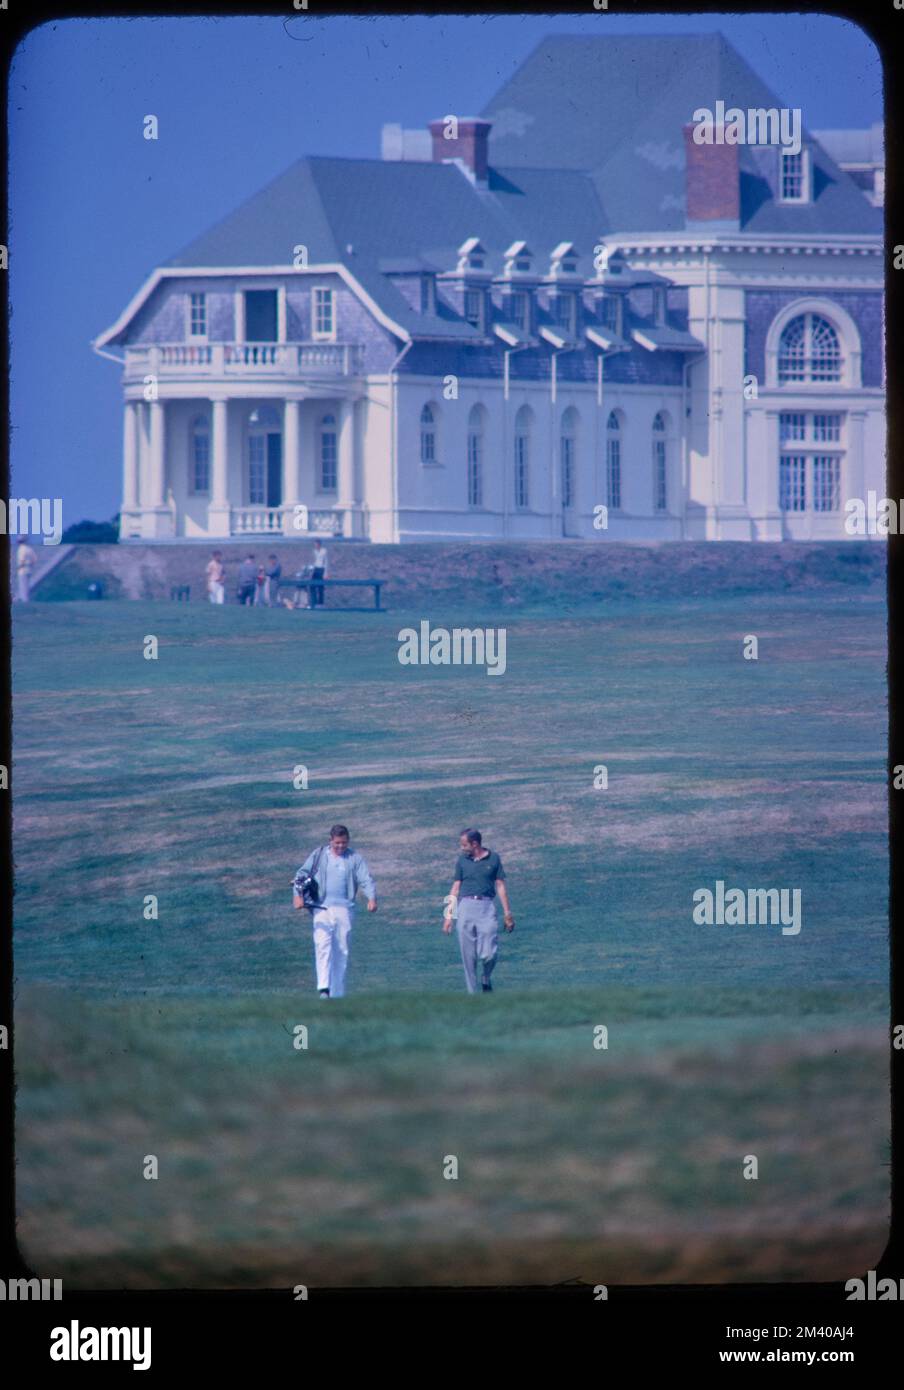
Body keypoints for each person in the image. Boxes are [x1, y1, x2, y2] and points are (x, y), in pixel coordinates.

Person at [293, 824, 377, 998]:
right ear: (330, 840)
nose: (340, 846)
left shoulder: (354, 858)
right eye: (337, 843)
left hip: (344, 909)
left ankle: (337, 994)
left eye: (344, 843)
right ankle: (324, 989)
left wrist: (371, 898)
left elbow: (365, 879)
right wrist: (297, 896)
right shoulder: (319, 855)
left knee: (341, 950)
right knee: (322, 945)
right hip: (321, 907)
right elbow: (301, 874)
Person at [443, 828, 515, 994]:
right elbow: (455, 888)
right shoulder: (462, 861)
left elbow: (501, 886)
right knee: (468, 956)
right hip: (465, 908)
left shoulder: (494, 858)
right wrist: (448, 917)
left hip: (486, 907)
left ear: (475, 844)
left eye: (464, 844)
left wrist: (507, 914)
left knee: (490, 953)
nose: (462, 848)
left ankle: (486, 977)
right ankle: (472, 994)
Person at [16, 536, 38, 602]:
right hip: (29, 569)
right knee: (27, 586)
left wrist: (18, 567)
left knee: (23, 586)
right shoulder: (29, 549)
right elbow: (34, 559)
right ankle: (27, 599)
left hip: (22, 570)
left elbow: (21, 560)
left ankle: (24, 600)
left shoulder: (21, 549)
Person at [310, 540, 328, 608]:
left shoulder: (324, 551)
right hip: (316, 569)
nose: (316, 546)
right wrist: (312, 572)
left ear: (320, 544)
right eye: (315, 544)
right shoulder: (314, 551)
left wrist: (325, 573)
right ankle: (314, 602)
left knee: (320, 587)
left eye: (317, 544)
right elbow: (315, 561)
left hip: (322, 569)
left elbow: (326, 562)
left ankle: (321, 603)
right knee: (312, 585)